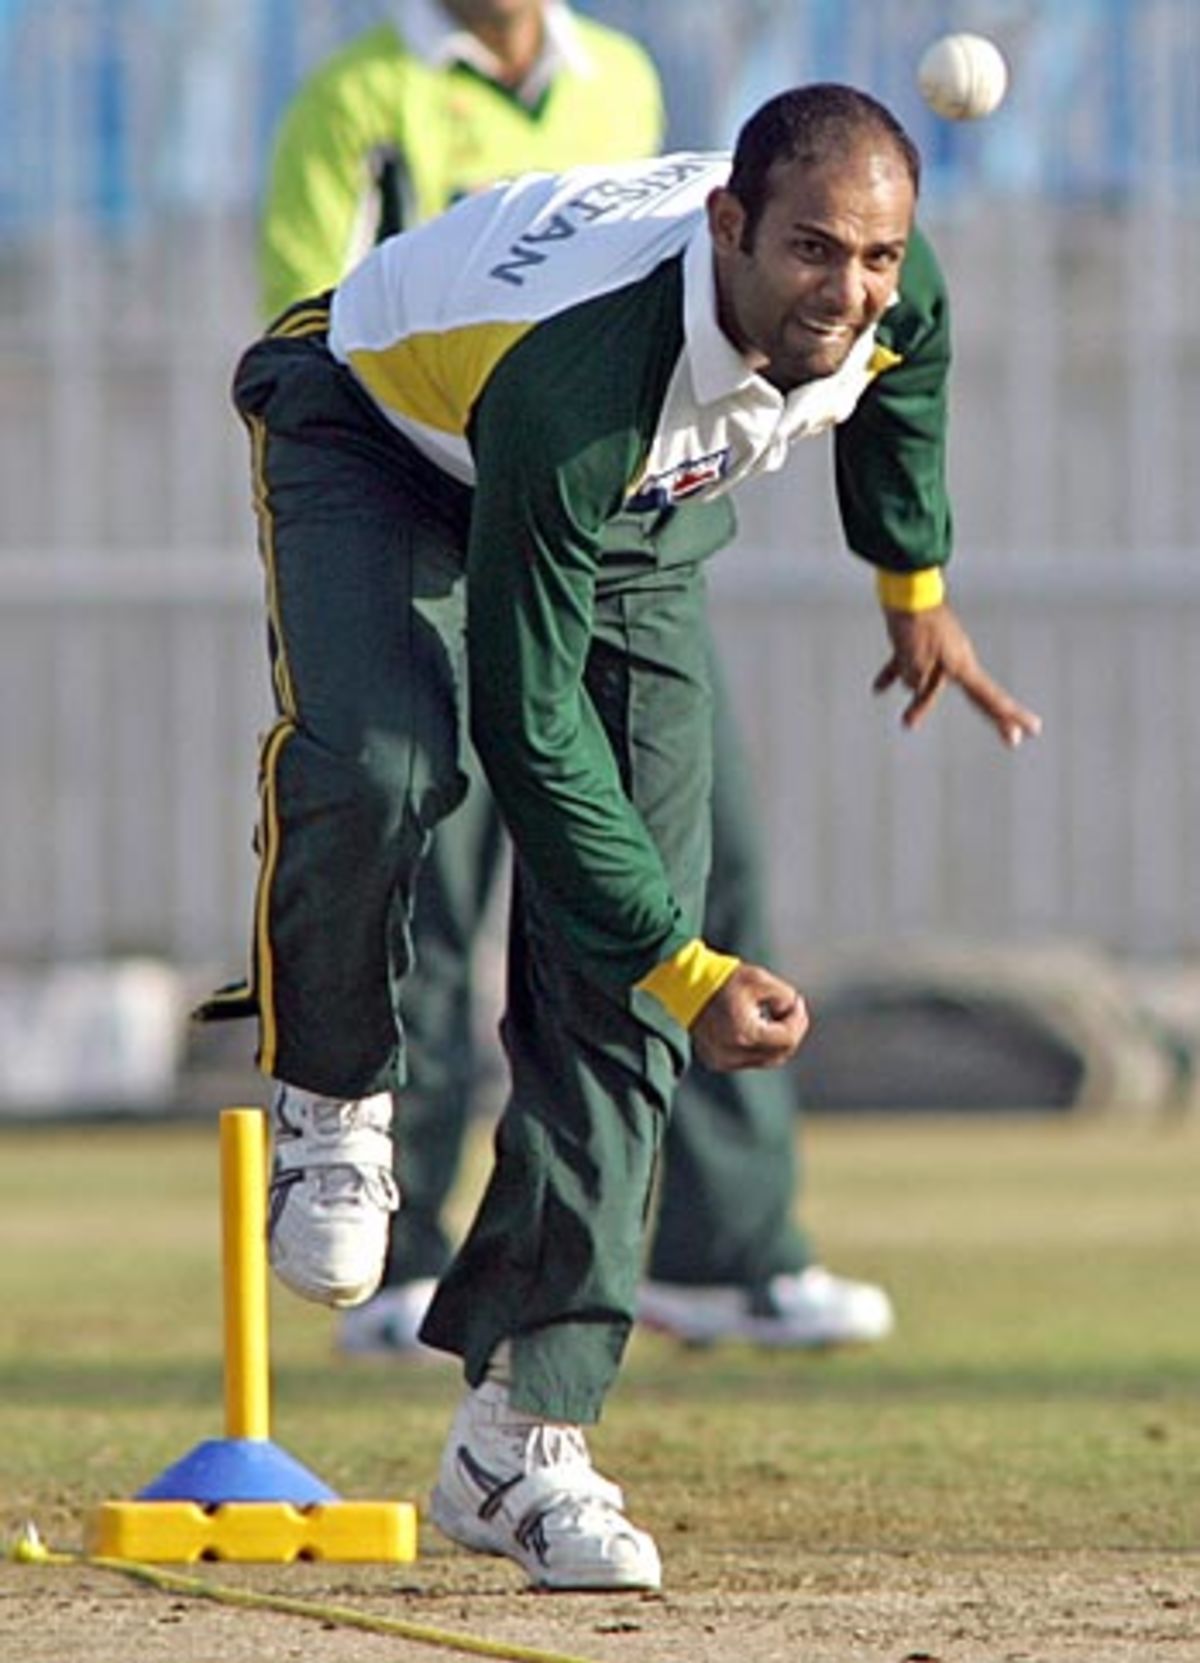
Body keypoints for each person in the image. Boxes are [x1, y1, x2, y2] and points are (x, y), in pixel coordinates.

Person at [225, 84, 1041, 1590]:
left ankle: (520, 1441)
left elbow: (906, 380)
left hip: (636, 515)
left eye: (872, 257)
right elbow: (531, 733)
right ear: (728, 227)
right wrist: (679, 964)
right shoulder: (587, 370)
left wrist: (911, 590)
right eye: (811, 252)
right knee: (392, 768)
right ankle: (335, 1091)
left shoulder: (890, 281)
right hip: (385, 430)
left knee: (623, 972)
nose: (847, 292)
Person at [252, 0, 895, 1362]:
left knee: (688, 860)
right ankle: (403, 1244)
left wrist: (918, 578)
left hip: (606, 495)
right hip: (424, 466)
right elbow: (318, 295)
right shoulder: (365, 92)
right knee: (414, 810)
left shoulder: (619, 73)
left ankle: (723, 1244)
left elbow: (696, 288)